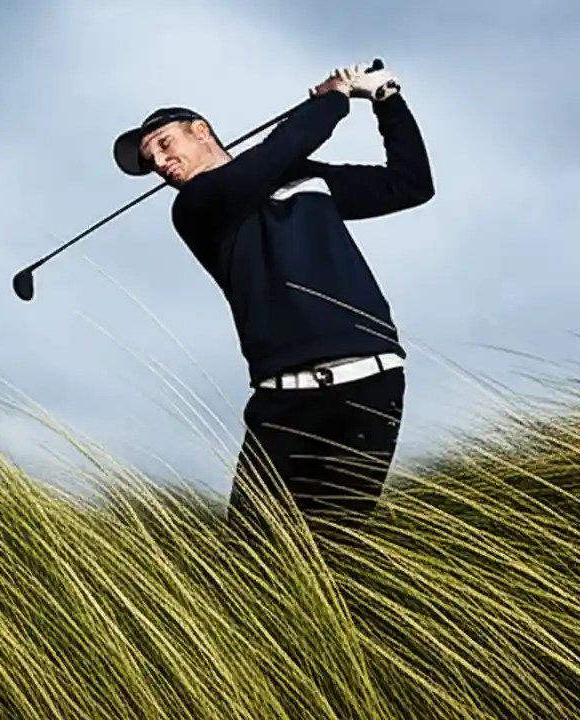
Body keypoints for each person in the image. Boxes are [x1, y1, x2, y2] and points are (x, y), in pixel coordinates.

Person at [111, 60, 435, 546]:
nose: (158, 161)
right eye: (150, 158)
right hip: (283, 404)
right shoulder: (196, 207)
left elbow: (411, 184)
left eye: (163, 143)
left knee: (341, 549)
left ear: (200, 131)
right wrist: (334, 97)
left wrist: (387, 98)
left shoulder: (307, 179)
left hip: (370, 385)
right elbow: (277, 152)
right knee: (251, 556)